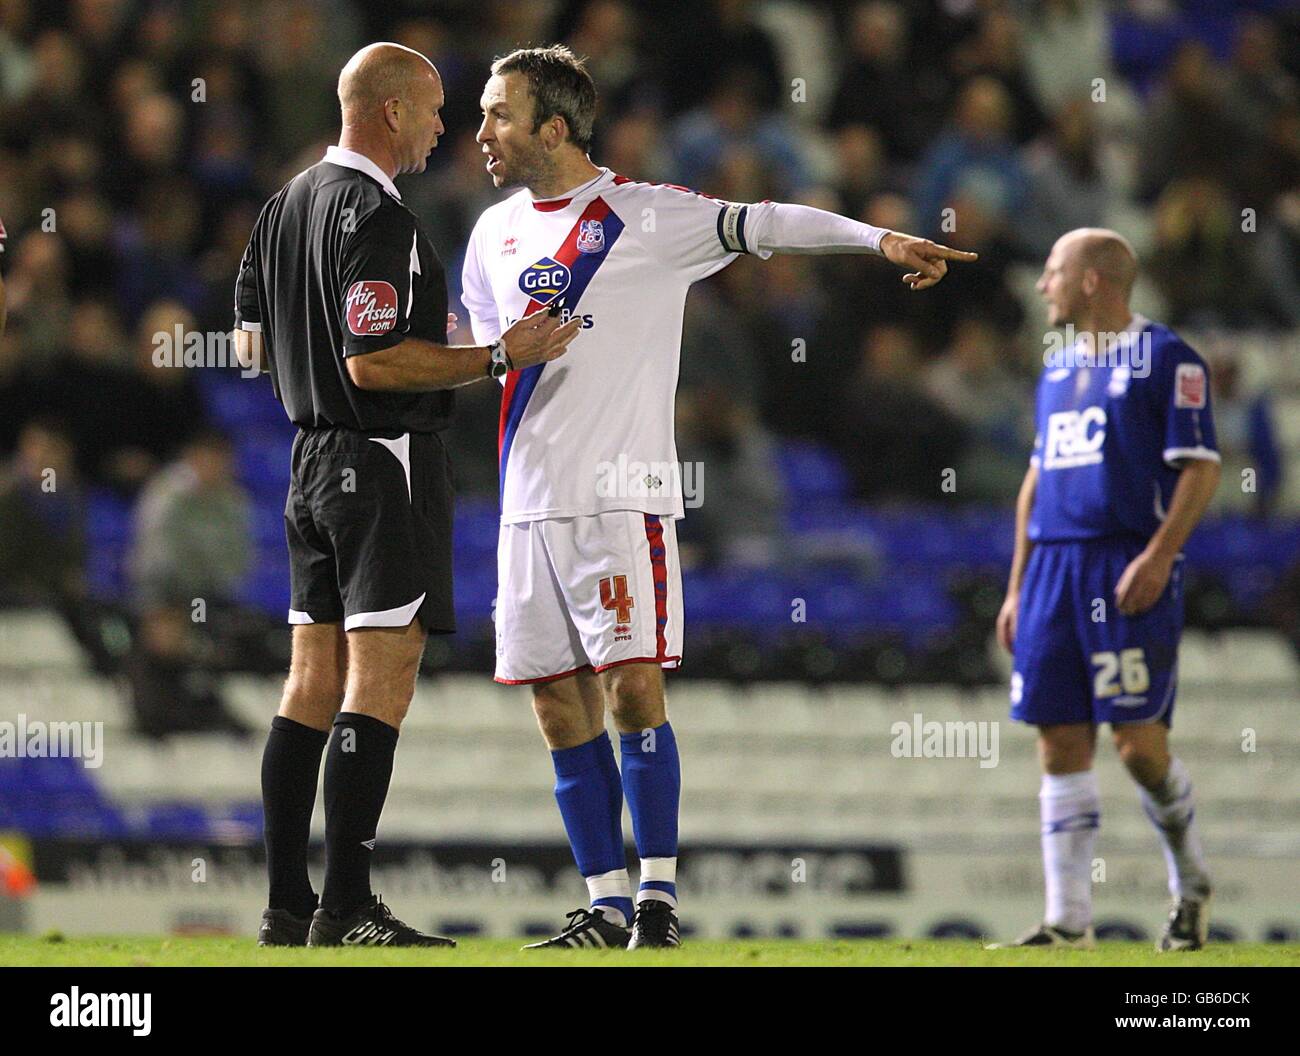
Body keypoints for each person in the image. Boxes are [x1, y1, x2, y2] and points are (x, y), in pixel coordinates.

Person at [460, 44, 976, 950]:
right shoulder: (490, 231)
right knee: (553, 703)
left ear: (552, 126)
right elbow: (479, 345)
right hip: (526, 501)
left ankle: (657, 899)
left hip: (619, 495)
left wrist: (876, 239)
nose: (482, 131)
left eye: (499, 114)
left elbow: (768, 221)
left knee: (629, 690)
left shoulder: (646, 216)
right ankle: (603, 902)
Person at [233, 42, 579, 949]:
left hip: (310, 464)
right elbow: (374, 359)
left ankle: (285, 905)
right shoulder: (374, 214)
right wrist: (499, 354)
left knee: (310, 681)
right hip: (381, 462)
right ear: (390, 112)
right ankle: (347, 904)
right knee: (381, 679)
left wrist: (318, 381)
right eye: (432, 111)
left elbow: (248, 337)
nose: (443, 129)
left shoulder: (286, 204)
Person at [994, 229, 1221, 951]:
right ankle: (1069, 921)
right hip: (1054, 570)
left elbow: (1201, 466)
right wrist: (1016, 585)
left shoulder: (1168, 359)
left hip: (1125, 562)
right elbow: (1037, 480)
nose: (1042, 285)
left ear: (1092, 281)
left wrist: (1159, 555)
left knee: (1138, 750)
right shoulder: (1056, 369)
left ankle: (1190, 882)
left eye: (1053, 270)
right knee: (1059, 738)